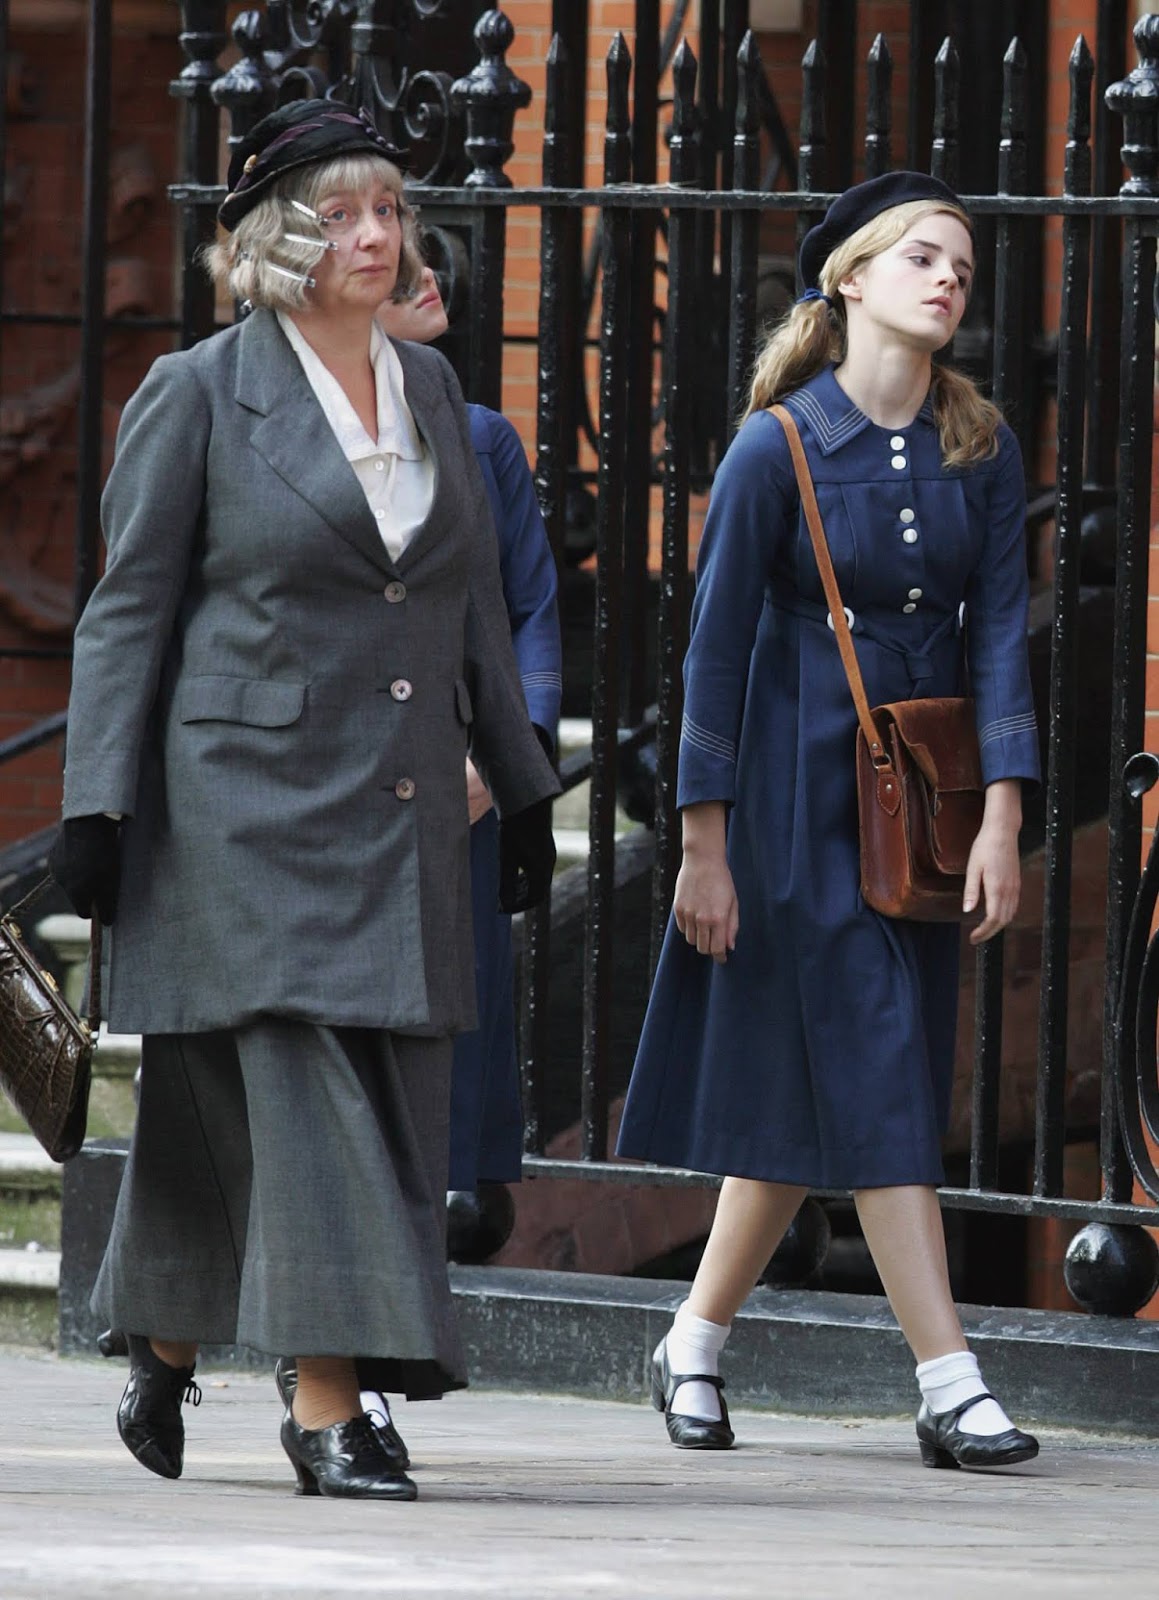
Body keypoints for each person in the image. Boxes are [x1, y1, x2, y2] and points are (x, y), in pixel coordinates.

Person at [47, 98, 558, 1502]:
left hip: (393, 810)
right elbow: (128, 608)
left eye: (389, 211)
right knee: (314, 1091)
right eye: (344, 215)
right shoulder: (201, 392)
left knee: (300, 1093)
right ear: (279, 237)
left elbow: (461, 607)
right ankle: (327, 1406)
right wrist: (100, 806)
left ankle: (159, 1329)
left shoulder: (435, 395)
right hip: (240, 805)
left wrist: (519, 791)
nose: (379, 238)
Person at [616, 172, 1041, 1470]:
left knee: (825, 1097)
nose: (946, 279)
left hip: (917, 798)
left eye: (959, 266)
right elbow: (713, 649)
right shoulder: (775, 444)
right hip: (791, 801)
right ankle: (947, 1377)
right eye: (921, 257)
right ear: (849, 279)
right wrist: (700, 838)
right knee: (875, 1070)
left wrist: (1001, 815)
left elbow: (1006, 637)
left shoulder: (981, 444)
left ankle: (688, 1342)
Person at [275, 254, 562, 1452]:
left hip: (445, 811)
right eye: (376, 241)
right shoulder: (255, 425)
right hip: (305, 807)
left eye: (411, 235)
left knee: (420, 1114)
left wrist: (505, 762)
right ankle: (303, 1367)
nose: (414, 262)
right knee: (313, 1094)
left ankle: (349, 1369)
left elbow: (529, 614)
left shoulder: (477, 437)